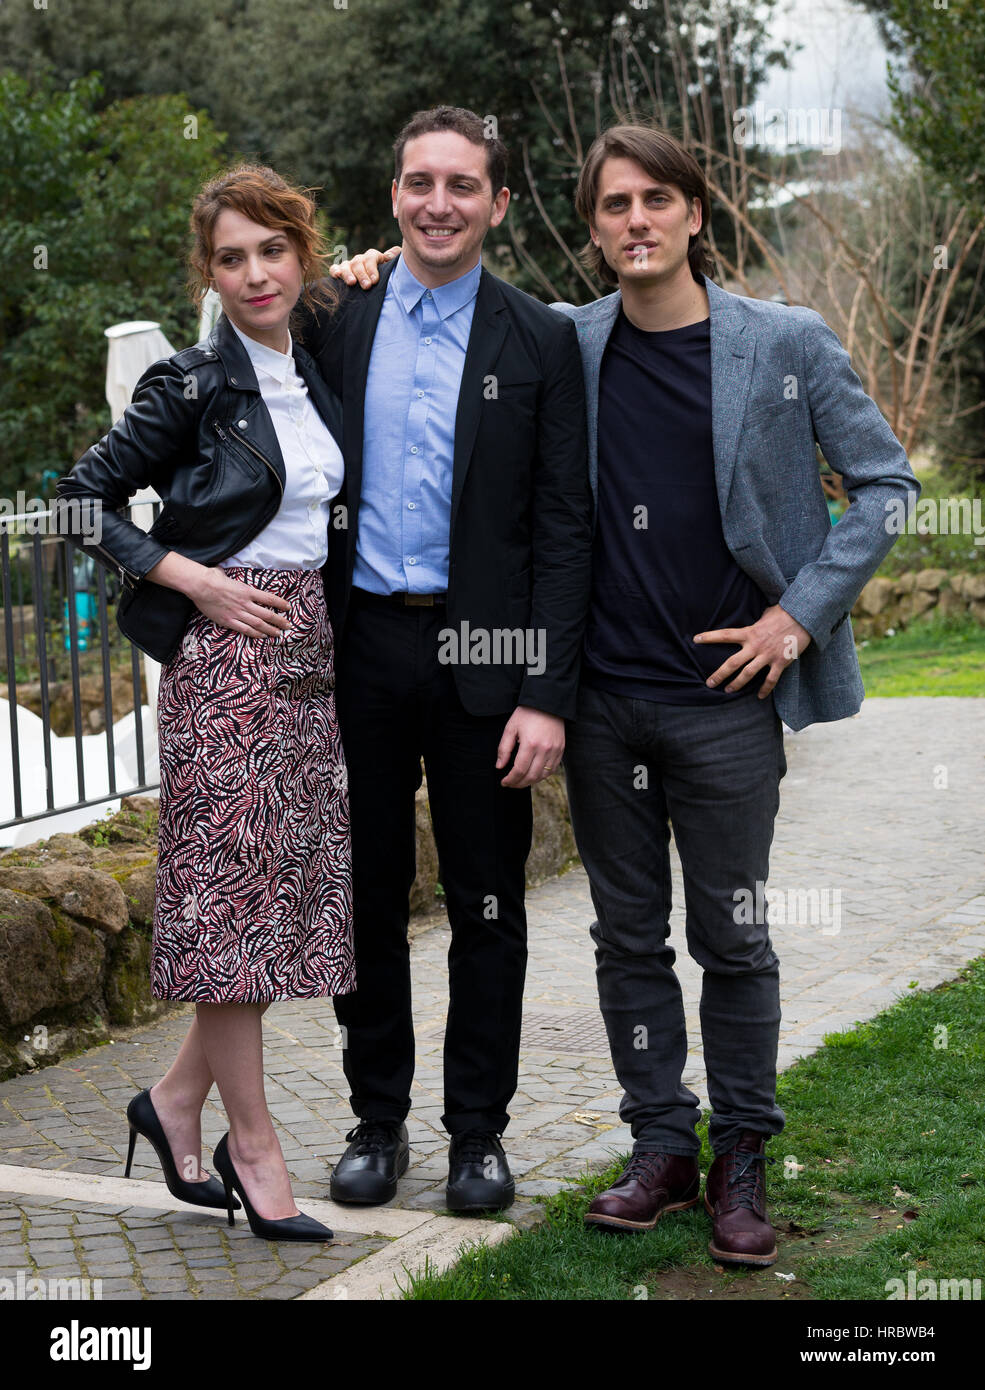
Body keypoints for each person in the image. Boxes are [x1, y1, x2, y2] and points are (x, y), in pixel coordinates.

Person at [332, 121, 920, 1263]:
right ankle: (659, 1142)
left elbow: (887, 485)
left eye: (657, 199)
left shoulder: (783, 340)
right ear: (591, 226)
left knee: (735, 936)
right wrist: (363, 266)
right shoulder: (568, 342)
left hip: (725, 700)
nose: (636, 221)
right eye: (614, 206)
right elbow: (455, 326)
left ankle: (742, 1152)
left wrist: (797, 615)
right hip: (601, 701)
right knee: (627, 939)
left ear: (695, 213)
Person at [294, 106, 593, 1212]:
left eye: (462, 185)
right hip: (360, 640)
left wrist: (546, 693)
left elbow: (563, 528)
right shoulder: (338, 314)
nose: (438, 203)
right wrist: (326, 272)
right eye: (420, 182)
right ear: (393, 194)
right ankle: (377, 1119)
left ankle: (478, 1134)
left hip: (485, 652)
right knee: (367, 899)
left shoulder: (539, 338)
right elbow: (239, 353)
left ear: (498, 203)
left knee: (485, 906)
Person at [55, 164, 353, 1242]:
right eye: (231, 257)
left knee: (280, 909)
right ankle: (255, 1147)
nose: (254, 272)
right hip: (225, 667)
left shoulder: (314, 364)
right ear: (208, 273)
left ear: (301, 254)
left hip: (309, 659)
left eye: (272, 249)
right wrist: (187, 575)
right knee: (231, 912)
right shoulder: (187, 383)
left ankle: (175, 1098)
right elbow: (74, 498)